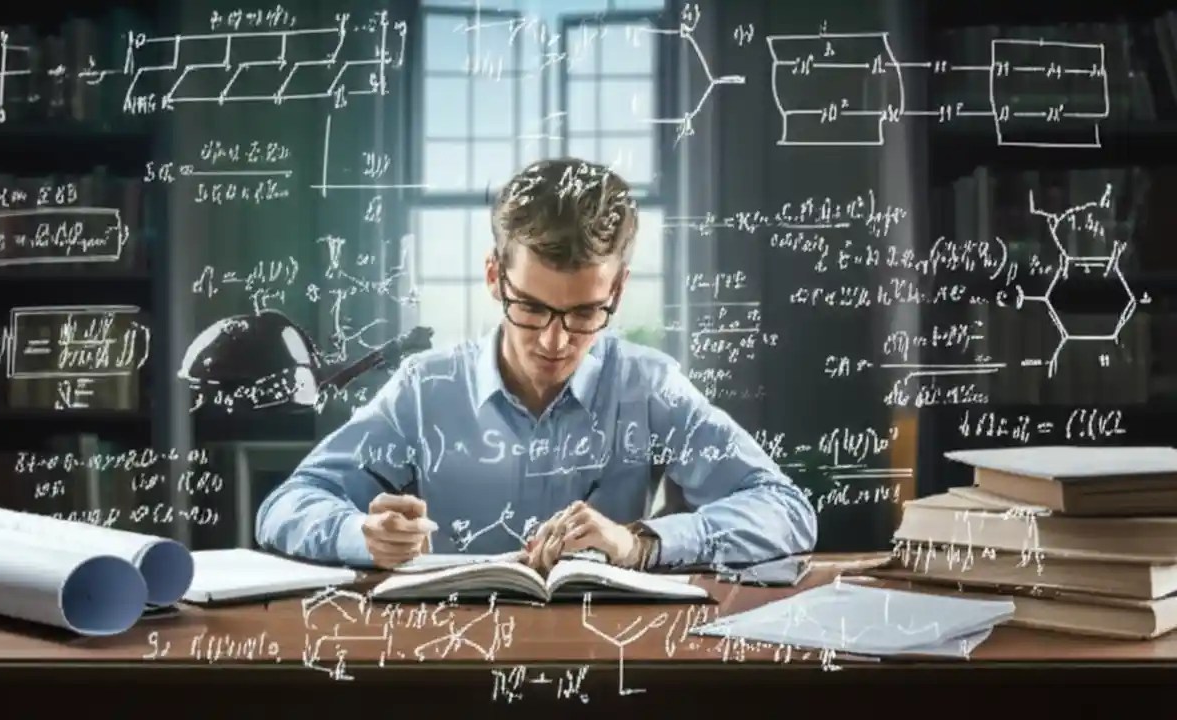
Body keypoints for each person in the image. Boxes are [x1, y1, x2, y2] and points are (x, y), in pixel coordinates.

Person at [255, 157, 818, 572]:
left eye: (585, 313)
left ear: (618, 289)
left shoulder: (648, 386)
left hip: (611, 666)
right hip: (449, 664)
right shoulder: (426, 388)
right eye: (530, 306)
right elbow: (285, 506)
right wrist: (362, 533)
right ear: (495, 276)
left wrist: (638, 542)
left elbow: (786, 510)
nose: (554, 341)